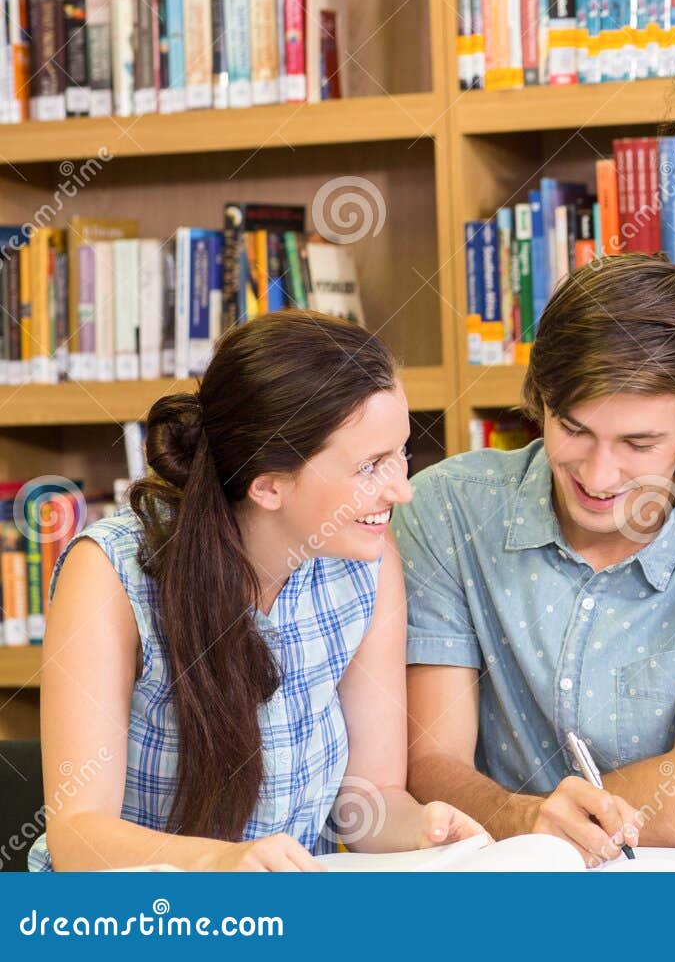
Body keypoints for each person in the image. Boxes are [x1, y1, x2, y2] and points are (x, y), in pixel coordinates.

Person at [32, 310, 481, 871]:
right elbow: (78, 838)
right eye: (370, 466)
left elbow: (366, 801)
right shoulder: (110, 571)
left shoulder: (368, 564)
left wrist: (421, 828)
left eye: (401, 454)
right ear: (269, 485)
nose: (401, 490)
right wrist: (223, 864)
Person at [399, 254, 675, 866]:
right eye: (574, 428)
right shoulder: (447, 508)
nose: (598, 474)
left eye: (639, 444)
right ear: (539, 401)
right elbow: (429, 763)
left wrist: (539, 820)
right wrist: (526, 818)